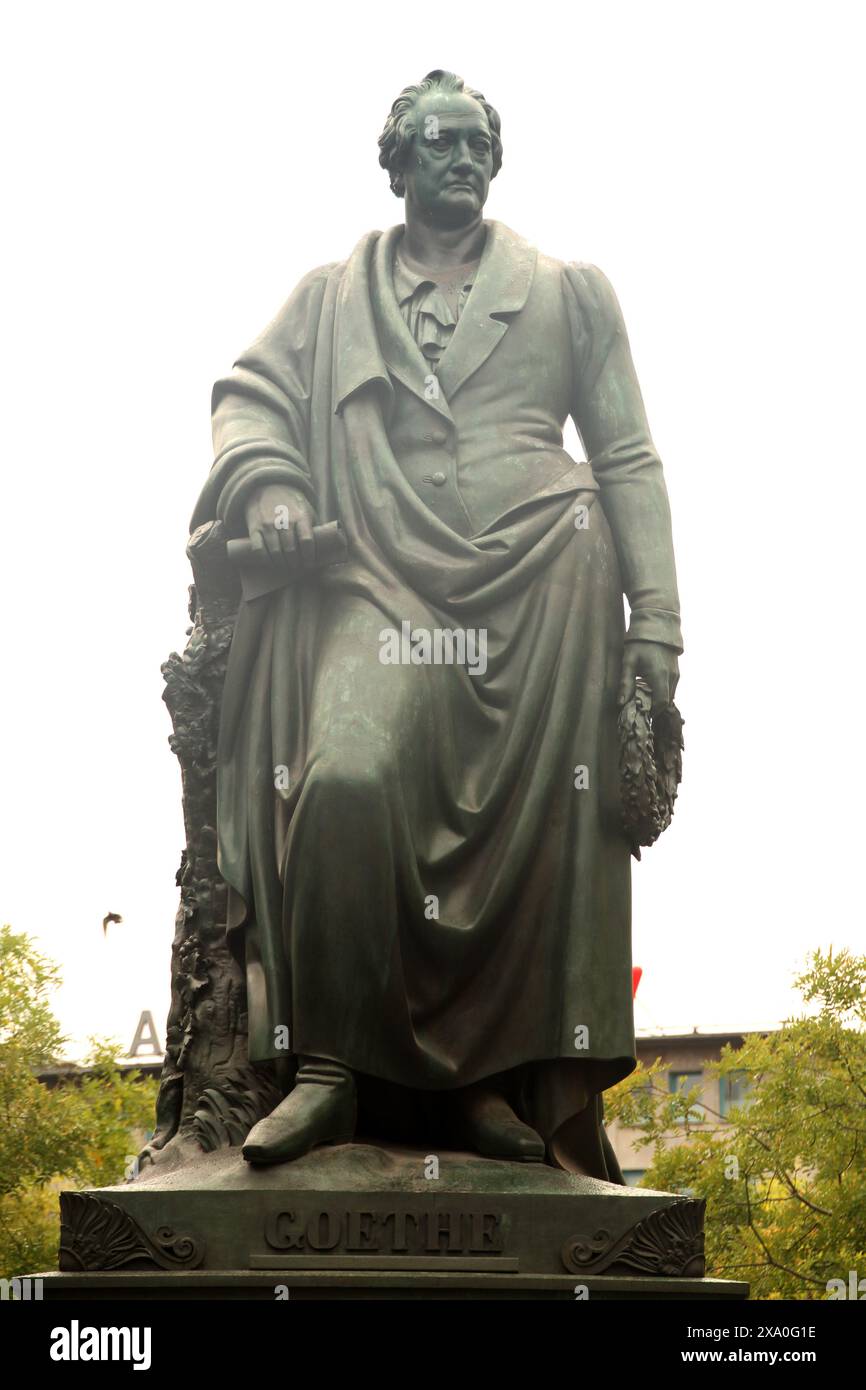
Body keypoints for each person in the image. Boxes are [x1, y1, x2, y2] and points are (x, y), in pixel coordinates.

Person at [190, 69, 682, 1176]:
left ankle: (482, 1088)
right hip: (375, 579)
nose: (459, 159)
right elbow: (247, 398)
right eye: (436, 142)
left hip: (540, 589)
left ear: (494, 163)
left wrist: (655, 623)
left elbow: (628, 457)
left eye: (476, 144)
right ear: (396, 161)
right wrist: (266, 486)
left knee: (524, 845)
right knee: (345, 780)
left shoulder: (569, 293)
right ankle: (330, 1067)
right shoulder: (331, 294)